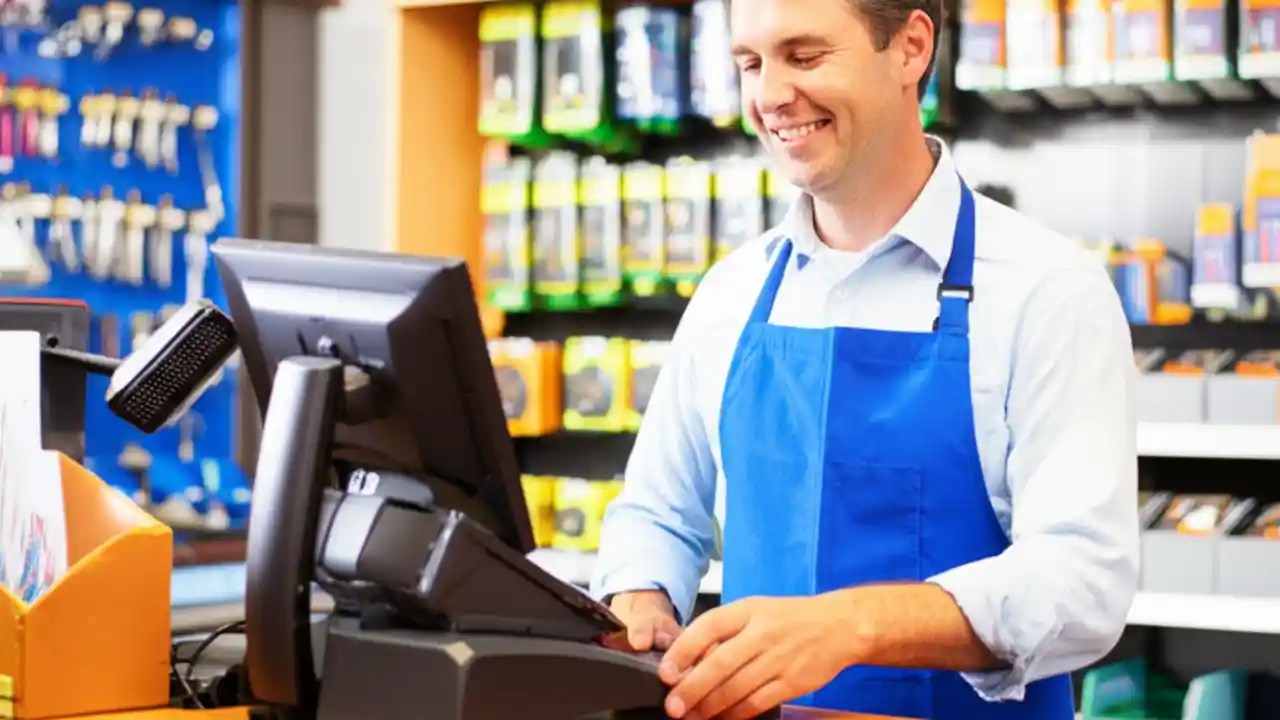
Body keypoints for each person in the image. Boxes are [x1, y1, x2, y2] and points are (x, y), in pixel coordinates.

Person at [588, 0, 1140, 718]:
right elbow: (658, 511)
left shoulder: (1045, 290)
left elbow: (1082, 581)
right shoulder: (733, 291)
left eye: (806, 56)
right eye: (750, 63)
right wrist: (643, 596)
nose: (769, 96)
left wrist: (850, 627)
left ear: (910, 48)